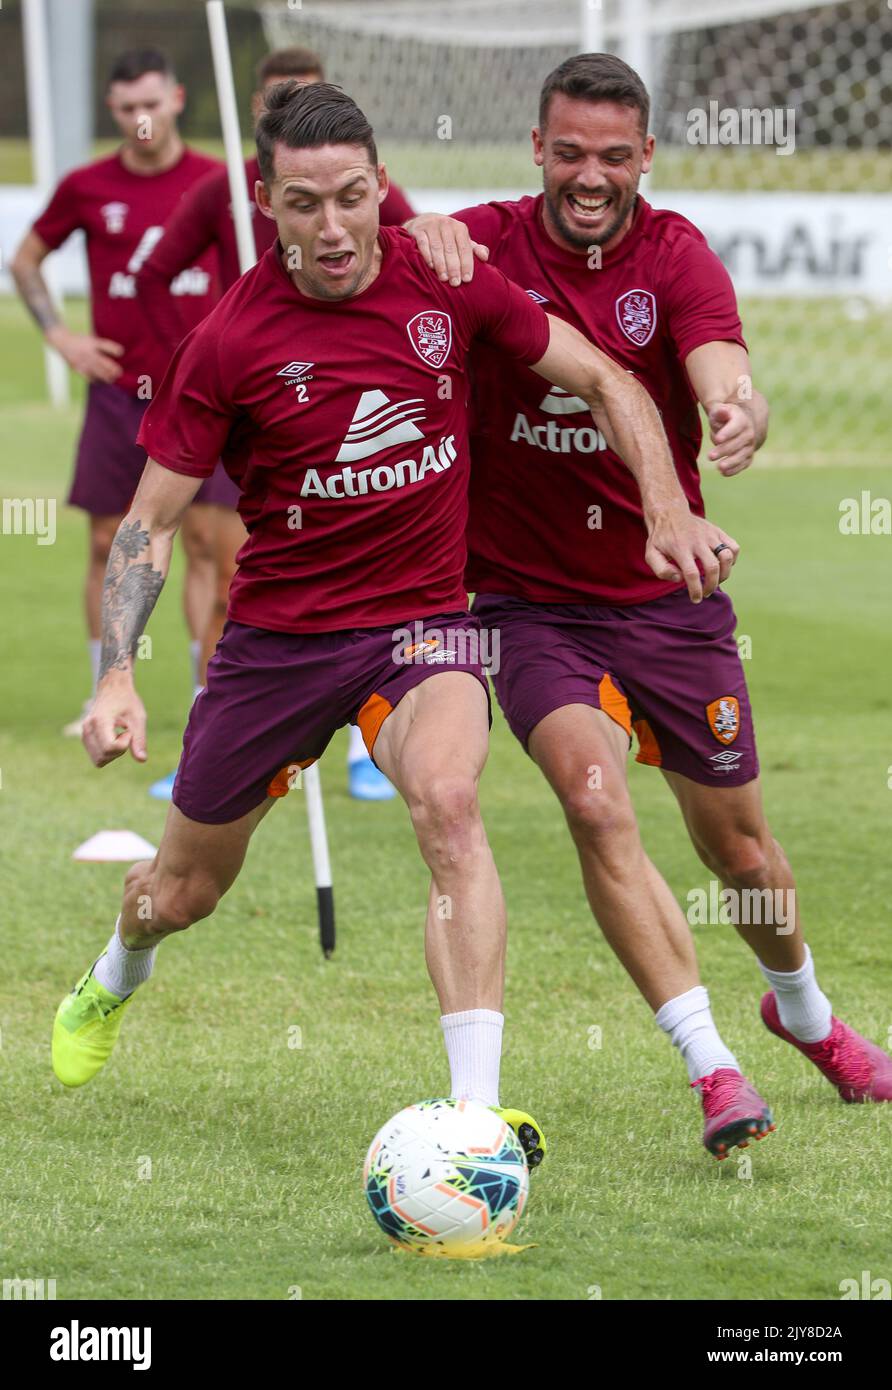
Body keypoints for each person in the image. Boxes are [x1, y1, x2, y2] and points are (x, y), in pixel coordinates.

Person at [53, 82, 729, 1172]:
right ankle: (116, 970)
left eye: (354, 199)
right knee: (182, 892)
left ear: (381, 190)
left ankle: (473, 1122)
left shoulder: (447, 281)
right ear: (265, 201)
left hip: (424, 626)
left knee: (452, 801)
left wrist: (663, 503)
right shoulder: (227, 339)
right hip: (277, 643)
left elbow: (602, 374)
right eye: (305, 205)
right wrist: (118, 676)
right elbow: (147, 524)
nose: (333, 229)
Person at [405, 51, 892, 1157]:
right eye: (568, 152)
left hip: (669, 596)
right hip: (528, 605)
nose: (589, 175)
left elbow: (721, 367)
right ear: (536, 149)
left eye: (612, 157)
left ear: (646, 159)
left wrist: (739, 412)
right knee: (594, 800)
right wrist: (424, 229)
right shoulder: (481, 242)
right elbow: (380, 234)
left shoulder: (674, 255)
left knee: (743, 854)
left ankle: (804, 1016)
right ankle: (711, 1066)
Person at [138, 46, 416, 802]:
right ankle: (214, 723)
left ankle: (368, 743)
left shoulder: (358, 192)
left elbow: (423, 257)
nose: (329, 224)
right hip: (254, 414)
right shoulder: (219, 191)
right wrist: (187, 364)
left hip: (348, 417)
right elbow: (155, 275)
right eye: (275, 102)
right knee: (224, 567)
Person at [10, 48, 228, 735]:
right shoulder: (85, 186)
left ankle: (206, 702)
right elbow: (25, 260)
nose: (141, 117)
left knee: (205, 545)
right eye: (128, 106)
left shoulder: (218, 183)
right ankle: (103, 691)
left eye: (151, 103)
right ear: (114, 111)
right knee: (106, 542)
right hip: (117, 395)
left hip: (202, 396)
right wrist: (61, 338)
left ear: (177, 100)